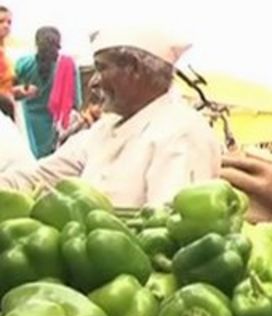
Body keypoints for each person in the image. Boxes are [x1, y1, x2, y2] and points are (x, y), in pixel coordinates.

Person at [0, 27, 222, 207]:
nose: (93, 82)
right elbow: (36, 178)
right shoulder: (103, 130)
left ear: (134, 69)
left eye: (101, 68)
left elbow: (166, 228)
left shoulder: (183, 133)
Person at [14, 26, 82, 158]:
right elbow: (76, 101)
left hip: (27, 124)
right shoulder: (67, 65)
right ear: (58, 44)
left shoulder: (23, 64)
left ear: (36, 44)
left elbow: (8, 90)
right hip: (55, 126)